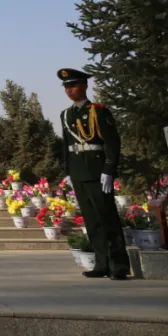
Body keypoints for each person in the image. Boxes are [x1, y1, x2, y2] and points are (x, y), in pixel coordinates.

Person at [58, 68, 129, 280]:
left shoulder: (98, 111)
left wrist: (109, 169)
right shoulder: (66, 114)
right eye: (66, 87)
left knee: (107, 218)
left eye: (73, 86)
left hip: (98, 171)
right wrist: (67, 171)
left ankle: (118, 266)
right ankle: (101, 264)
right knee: (92, 221)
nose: (70, 90)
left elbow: (112, 143)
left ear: (84, 86)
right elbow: (66, 145)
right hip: (79, 172)